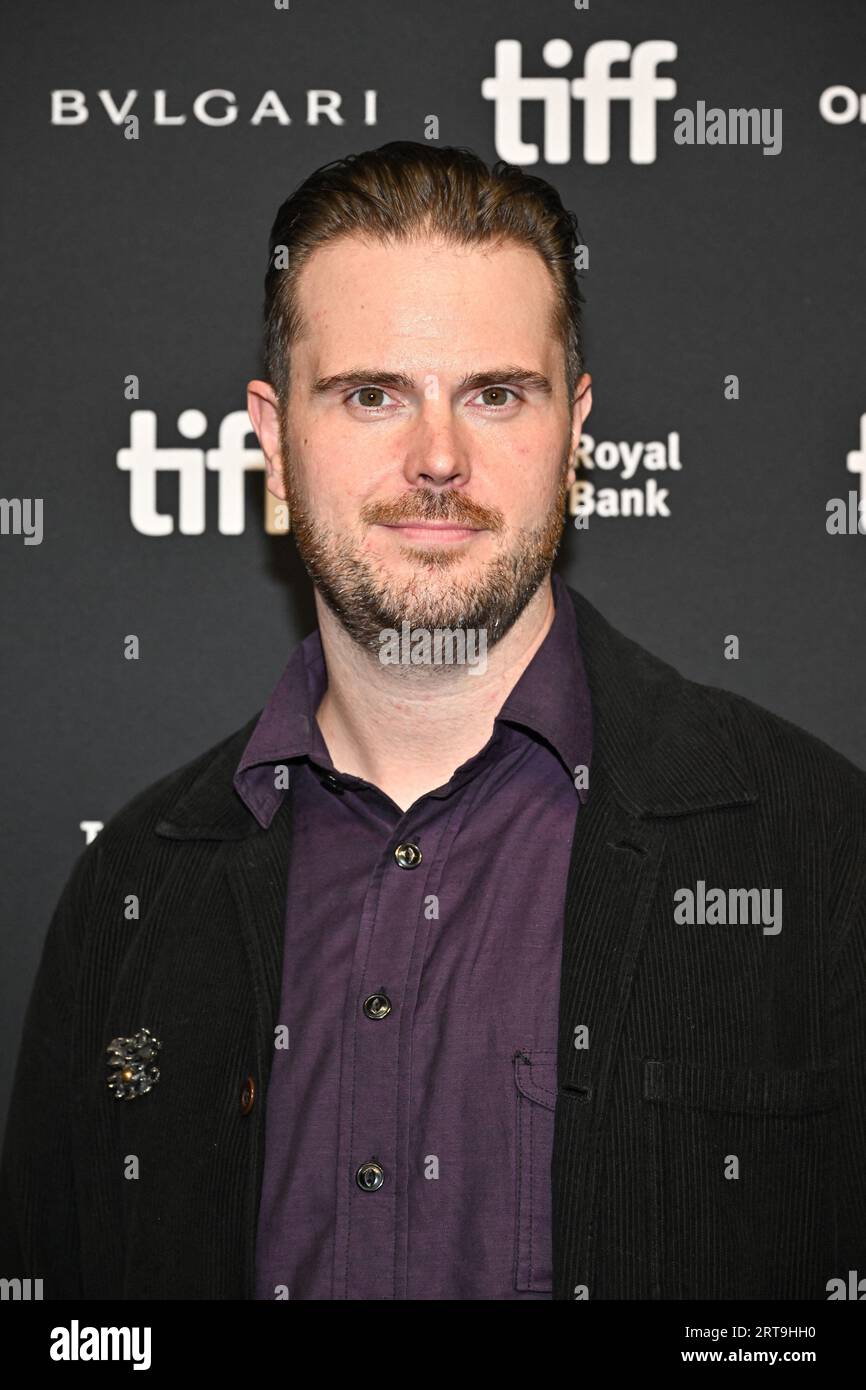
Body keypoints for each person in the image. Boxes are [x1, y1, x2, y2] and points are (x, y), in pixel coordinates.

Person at [1, 141, 864, 1301]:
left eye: (495, 393)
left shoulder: (816, 853)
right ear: (272, 443)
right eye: (370, 394)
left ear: (574, 436)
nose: (439, 459)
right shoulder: (131, 900)